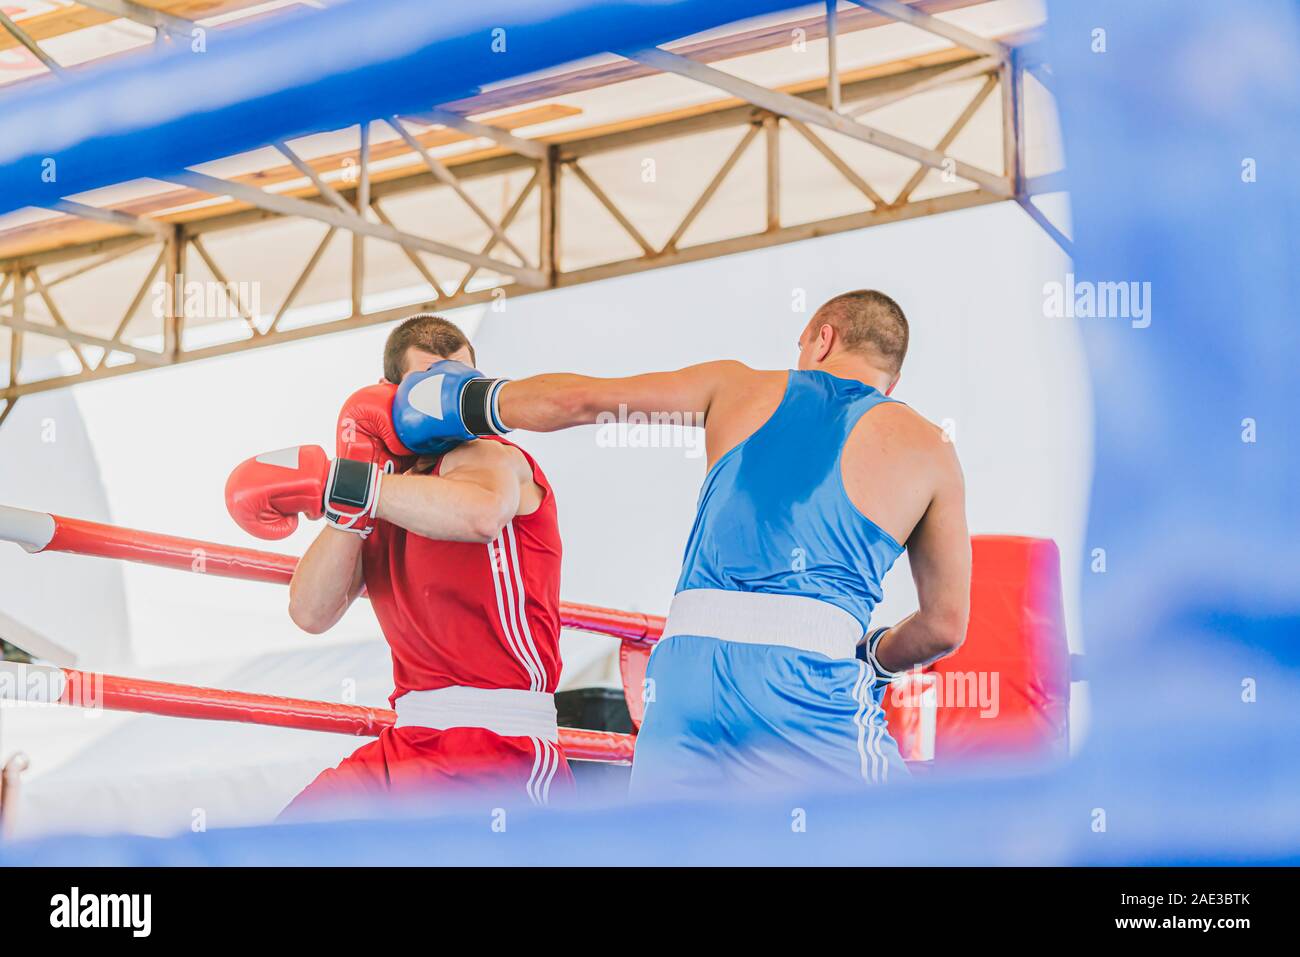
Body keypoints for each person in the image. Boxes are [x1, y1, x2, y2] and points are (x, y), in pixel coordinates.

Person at [390, 290, 971, 795]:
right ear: (892, 379)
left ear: (822, 338)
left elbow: (580, 401)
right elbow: (944, 626)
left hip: (682, 679)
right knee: (907, 836)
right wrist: (871, 657)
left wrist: (460, 400)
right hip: (805, 682)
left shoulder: (737, 386)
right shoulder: (927, 446)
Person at [224, 314, 569, 815]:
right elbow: (311, 612)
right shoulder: (383, 491)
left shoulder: (491, 458)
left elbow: (479, 514)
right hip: (406, 739)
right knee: (284, 846)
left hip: (498, 743)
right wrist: (348, 503)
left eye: (462, 386)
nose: (448, 404)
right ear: (388, 396)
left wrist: (352, 484)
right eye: (432, 387)